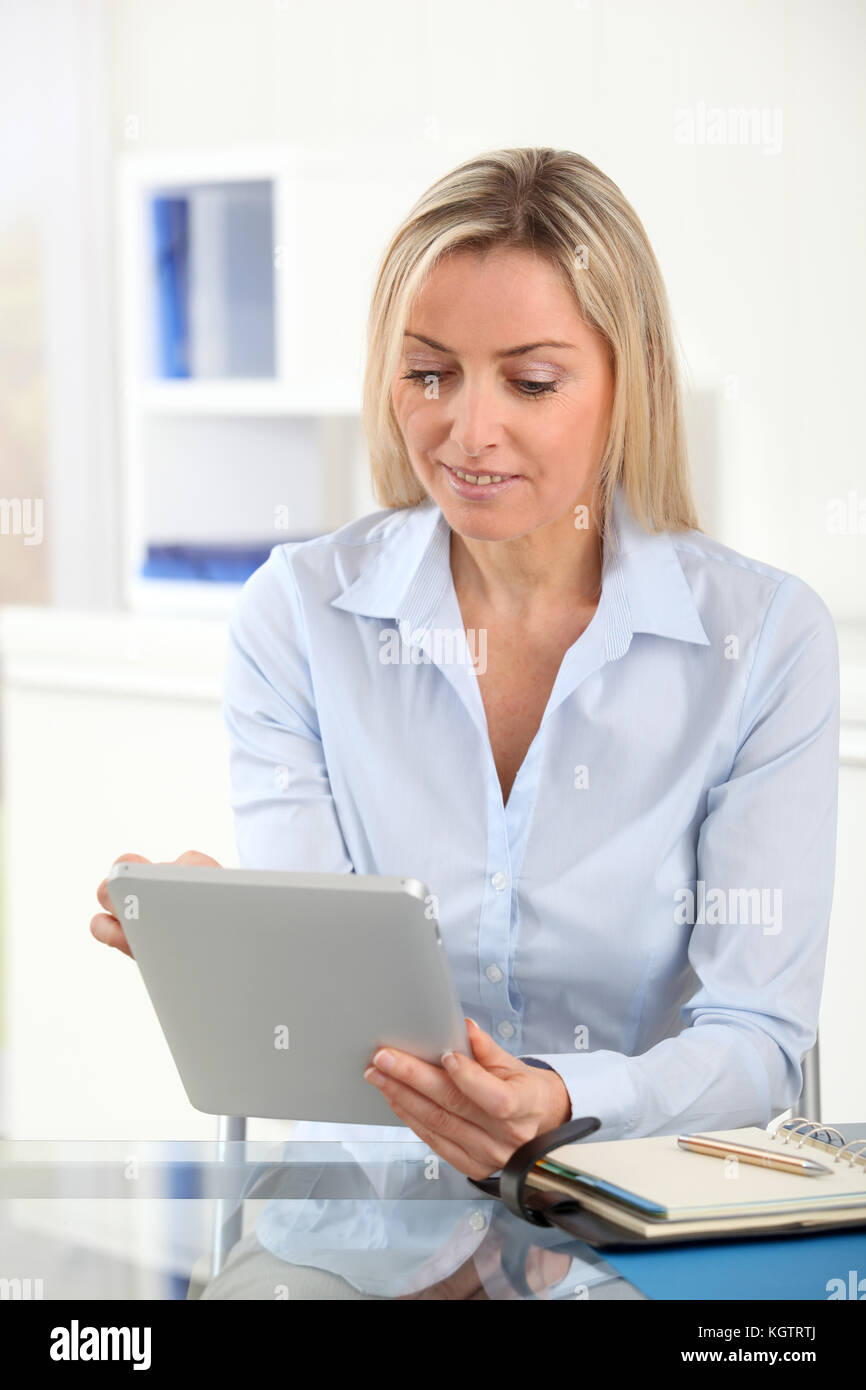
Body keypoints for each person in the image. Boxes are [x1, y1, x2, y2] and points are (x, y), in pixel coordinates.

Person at [91, 147, 840, 1299]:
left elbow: (754, 1039)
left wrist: (554, 1097)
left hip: (640, 1237)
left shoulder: (763, 640)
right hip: (355, 1234)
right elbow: (320, 1021)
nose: (464, 431)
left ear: (626, 377)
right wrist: (226, 947)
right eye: (428, 373)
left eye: (529, 381)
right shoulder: (297, 617)